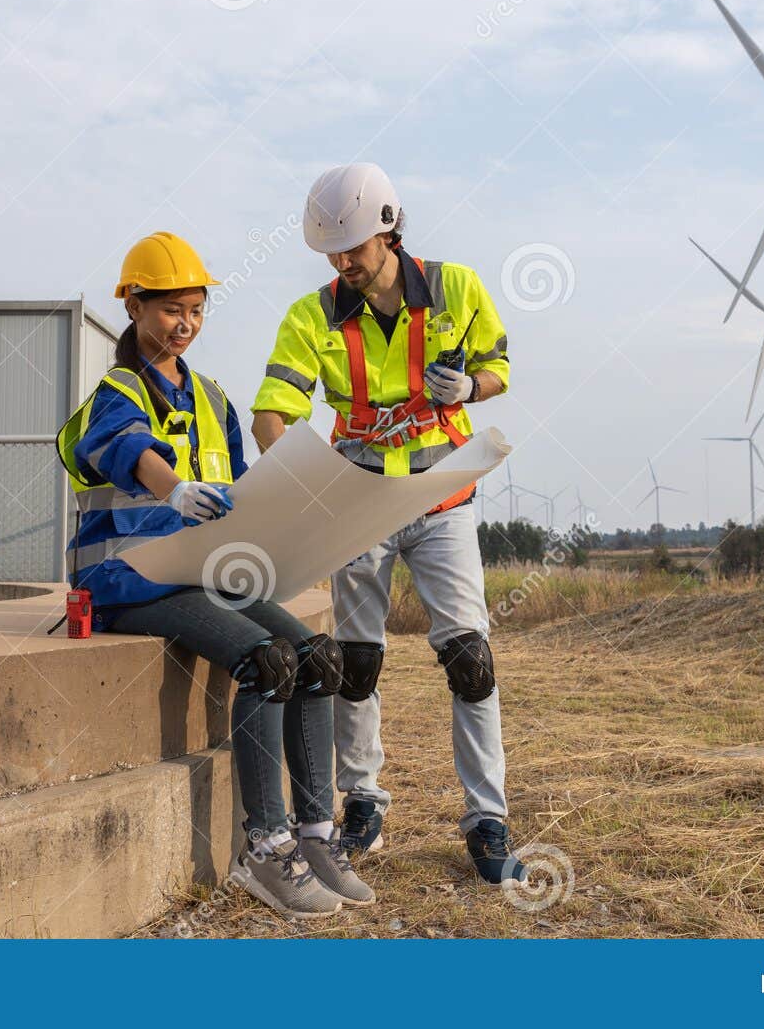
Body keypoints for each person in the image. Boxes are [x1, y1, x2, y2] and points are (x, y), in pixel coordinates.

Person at [57, 230, 375, 917]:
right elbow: (129, 449)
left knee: (315, 657)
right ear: (135, 307)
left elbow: (240, 492)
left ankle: (317, 835)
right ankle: (264, 848)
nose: (186, 325)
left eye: (196, 311)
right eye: (172, 309)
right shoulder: (118, 390)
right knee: (266, 661)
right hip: (125, 580)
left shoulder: (212, 398)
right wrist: (173, 489)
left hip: (197, 572)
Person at [250, 164, 523, 884]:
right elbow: (272, 412)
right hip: (359, 504)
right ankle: (362, 803)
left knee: (471, 659)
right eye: (332, 254)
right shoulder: (313, 315)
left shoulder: (457, 288)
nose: (345, 265)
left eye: (356, 250)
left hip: (441, 503)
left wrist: (469, 386)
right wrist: (295, 478)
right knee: (356, 664)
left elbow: (498, 366)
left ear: (389, 229)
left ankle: (487, 820)